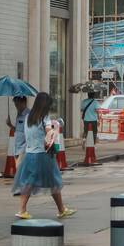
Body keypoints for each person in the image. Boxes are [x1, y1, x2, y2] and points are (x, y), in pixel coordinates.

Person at [12, 92, 75, 220]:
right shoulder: (44, 117)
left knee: (28, 182)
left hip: (30, 155)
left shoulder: (28, 117)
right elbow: (48, 133)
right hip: (43, 155)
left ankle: (22, 210)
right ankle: (61, 210)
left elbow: (26, 135)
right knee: (54, 181)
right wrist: (55, 128)